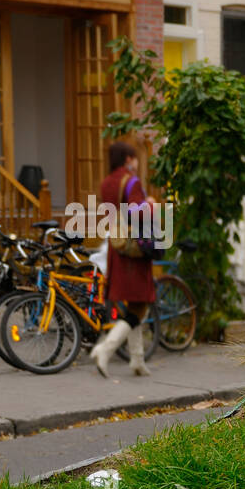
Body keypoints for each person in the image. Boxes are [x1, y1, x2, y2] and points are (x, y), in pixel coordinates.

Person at [90, 141, 156, 377]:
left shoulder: (107, 182)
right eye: (135, 158)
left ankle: (137, 360)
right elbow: (137, 213)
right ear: (129, 159)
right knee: (140, 305)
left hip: (116, 246)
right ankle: (105, 350)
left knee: (133, 303)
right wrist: (149, 205)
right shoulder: (131, 181)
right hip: (134, 249)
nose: (137, 162)